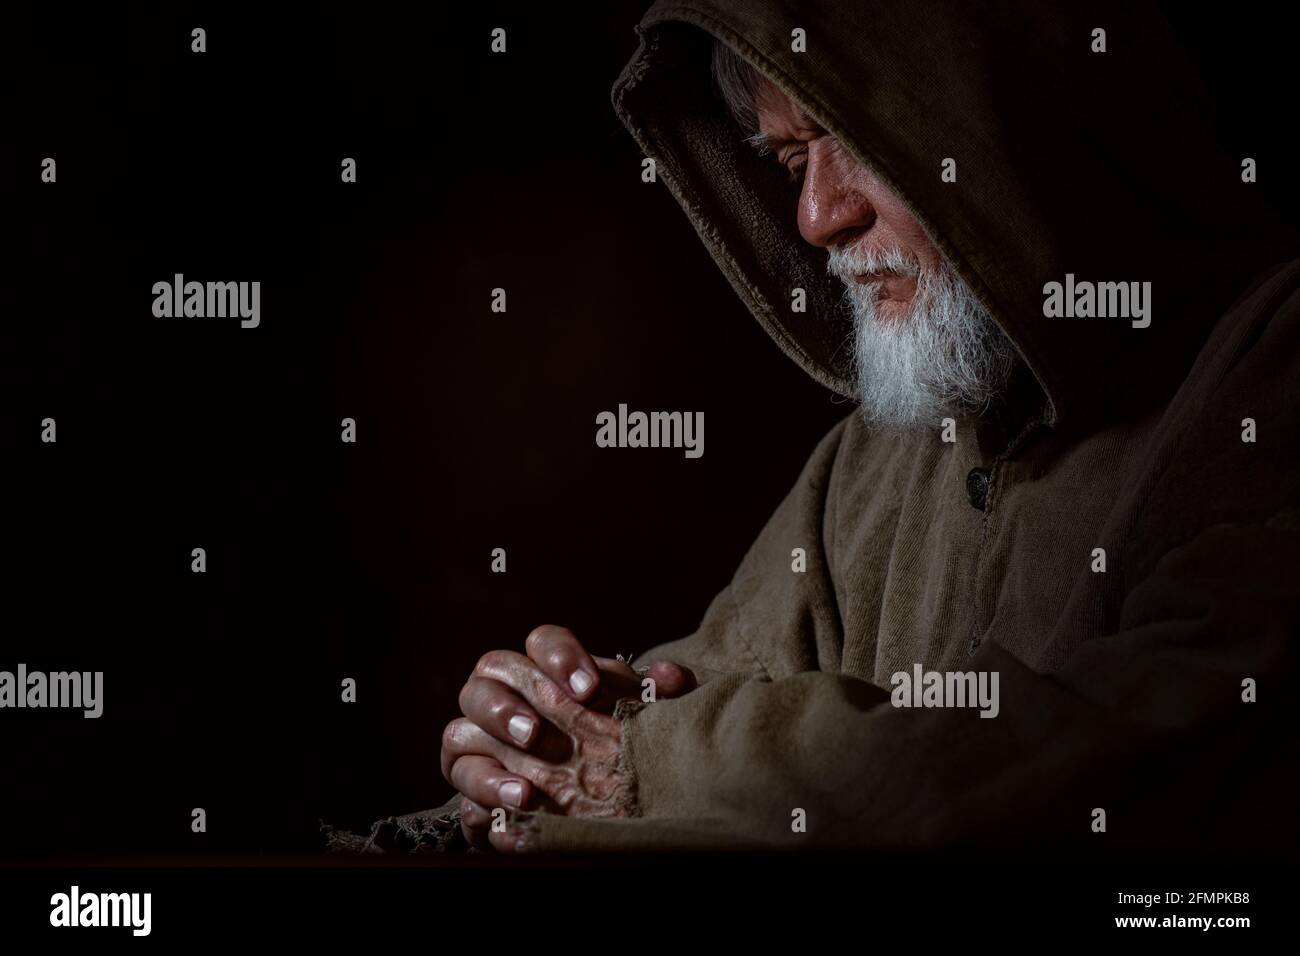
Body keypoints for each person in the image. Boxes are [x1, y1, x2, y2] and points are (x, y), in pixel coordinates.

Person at [333, 0, 1300, 855]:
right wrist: (538, 737)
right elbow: (702, 688)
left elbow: (1169, 756)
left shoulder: (1270, 360)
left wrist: (649, 769)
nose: (816, 216)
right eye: (793, 158)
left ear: (1018, 113)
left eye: (861, 139)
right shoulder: (876, 455)